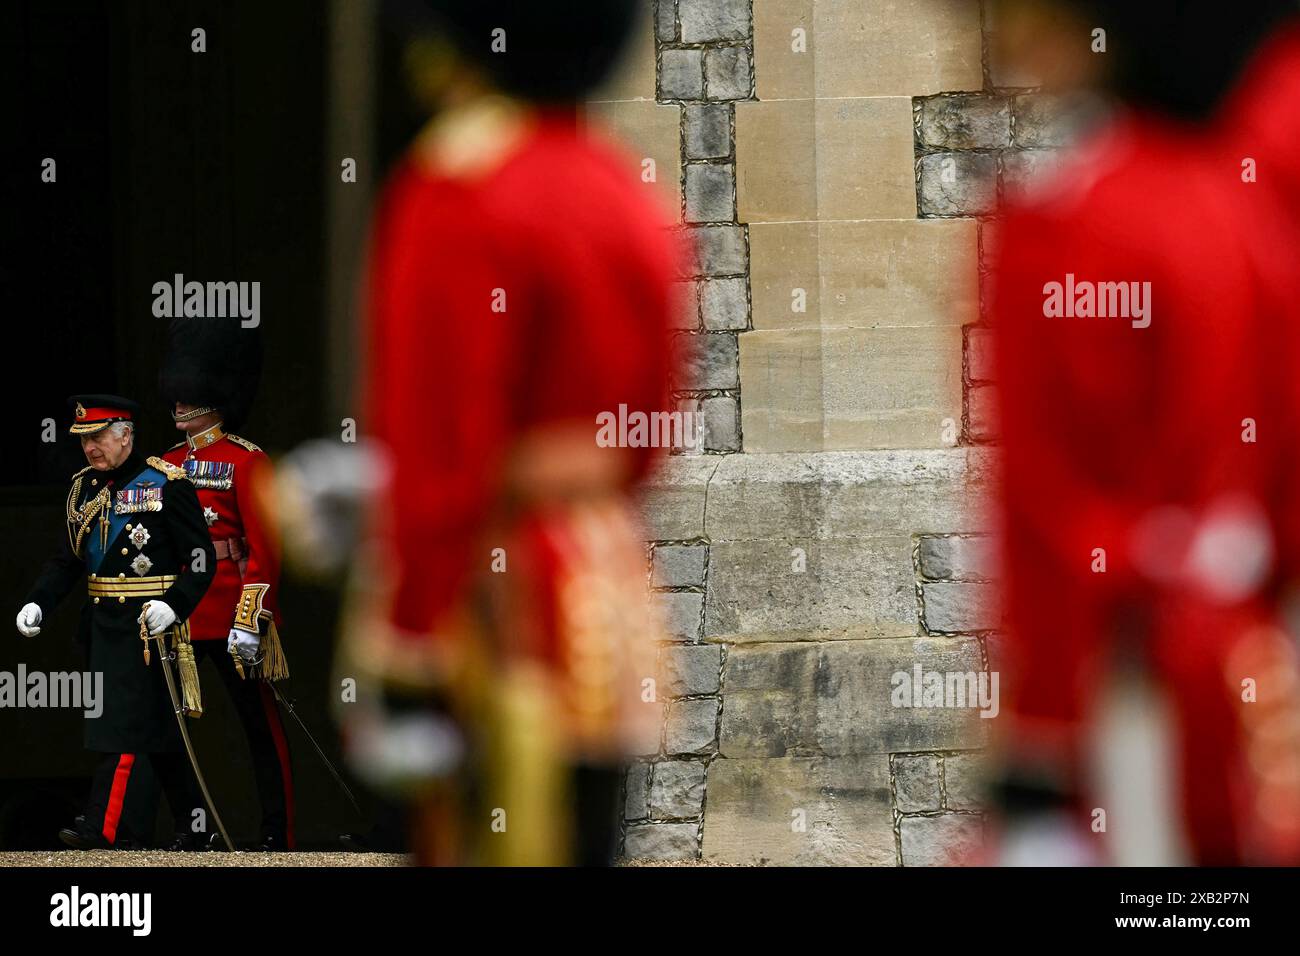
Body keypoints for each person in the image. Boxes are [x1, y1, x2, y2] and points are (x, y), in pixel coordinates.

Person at [340, 0, 681, 864]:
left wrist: (413, 647)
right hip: (601, 599)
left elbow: (440, 453)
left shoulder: (456, 188)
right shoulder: (625, 190)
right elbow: (647, 439)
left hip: (486, 608)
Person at [990, 0, 1300, 864]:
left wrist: (1036, 739)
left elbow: (1044, 516)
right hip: (1244, 661)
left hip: (1123, 671)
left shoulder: (1061, 223)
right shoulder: (1248, 218)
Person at [16, 395, 216, 849]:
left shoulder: (167, 484)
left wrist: (176, 604)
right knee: (155, 730)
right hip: (103, 626)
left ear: (126, 434)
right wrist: (39, 603)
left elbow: (201, 560)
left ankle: (102, 828)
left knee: (122, 727)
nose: (90, 448)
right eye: (84, 439)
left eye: (99, 436)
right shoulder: (82, 489)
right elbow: (67, 560)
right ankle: (195, 825)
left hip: (150, 628)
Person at [159, 316, 296, 851]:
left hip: (232, 615)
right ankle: (192, 832)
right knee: (170, 734)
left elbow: (264, 549)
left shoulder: (245, 460)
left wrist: (252, 619)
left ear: (213, 397)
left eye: (187, 394)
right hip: (181, 612)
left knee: (259, 729)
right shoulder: (164, 464)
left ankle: (275, 835)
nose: (176, 404)